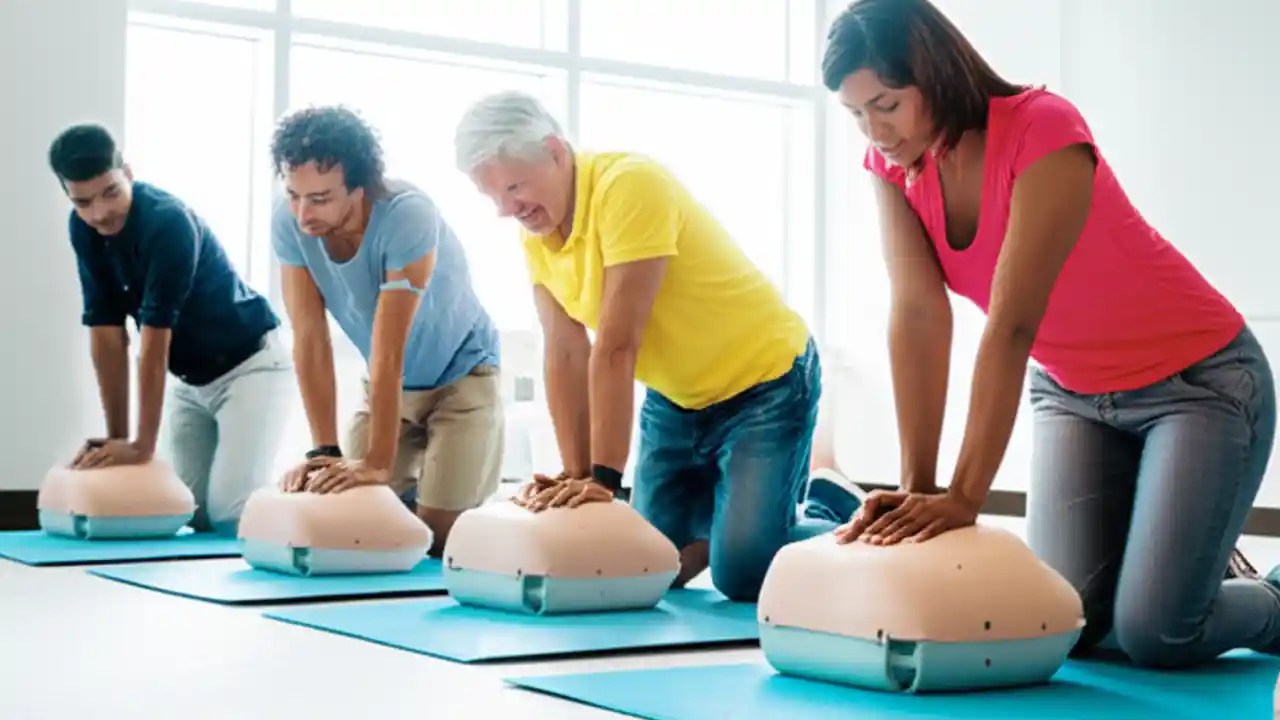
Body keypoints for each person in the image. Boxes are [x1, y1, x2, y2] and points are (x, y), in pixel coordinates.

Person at [821, 0, 1280, 669]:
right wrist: (917, 488)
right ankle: (1195, 567)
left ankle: (1267, 595)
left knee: (1160, 634)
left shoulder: (1044, 129)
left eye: (886, 105)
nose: (875, 131)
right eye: (856, 114)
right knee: (1070, 623)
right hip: (1072, 396)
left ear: (933, 71)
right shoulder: (890, 165)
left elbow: (1011, 324)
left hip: (1199, 384)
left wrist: (964, 498)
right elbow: (918, 314)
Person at [452, 91, 863, 602]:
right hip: (677, 398)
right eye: (492, 197)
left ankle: (829, 503)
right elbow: (564, 351)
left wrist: (603, 480)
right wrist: (574, 476)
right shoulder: (535, 229)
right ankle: (739, 516)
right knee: (646, 565)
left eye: (513, 187)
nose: (505, 209)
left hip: (766, 384)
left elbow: (618, 345)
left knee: (744, 575)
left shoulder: (629, 185)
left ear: (556, 152)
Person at [269, 105, 504, 556]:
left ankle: (457, 497)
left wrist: (377, 463)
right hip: (389, 387)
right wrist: (324, 450)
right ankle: (415, 493)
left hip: (463, 375)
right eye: (294, 195)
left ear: (360, 187)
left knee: (437, 539)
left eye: (320, 198)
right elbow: (310, 339)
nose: (303, 214)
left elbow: (389, 344)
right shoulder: (289, 224)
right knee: (349, 512)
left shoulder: (407, 215)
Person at [48, 123, 293, 536]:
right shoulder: (84, 230)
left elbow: (154, 342)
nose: (100, 213)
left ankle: (308, 514)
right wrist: (118, 439)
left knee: (230, 514)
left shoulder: (168, 222)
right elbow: (107, 336)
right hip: (191, 381)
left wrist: (141, 446)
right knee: (188, 512)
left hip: (251, 366)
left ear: (127, 171)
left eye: (110, 192)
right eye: (83, 202)